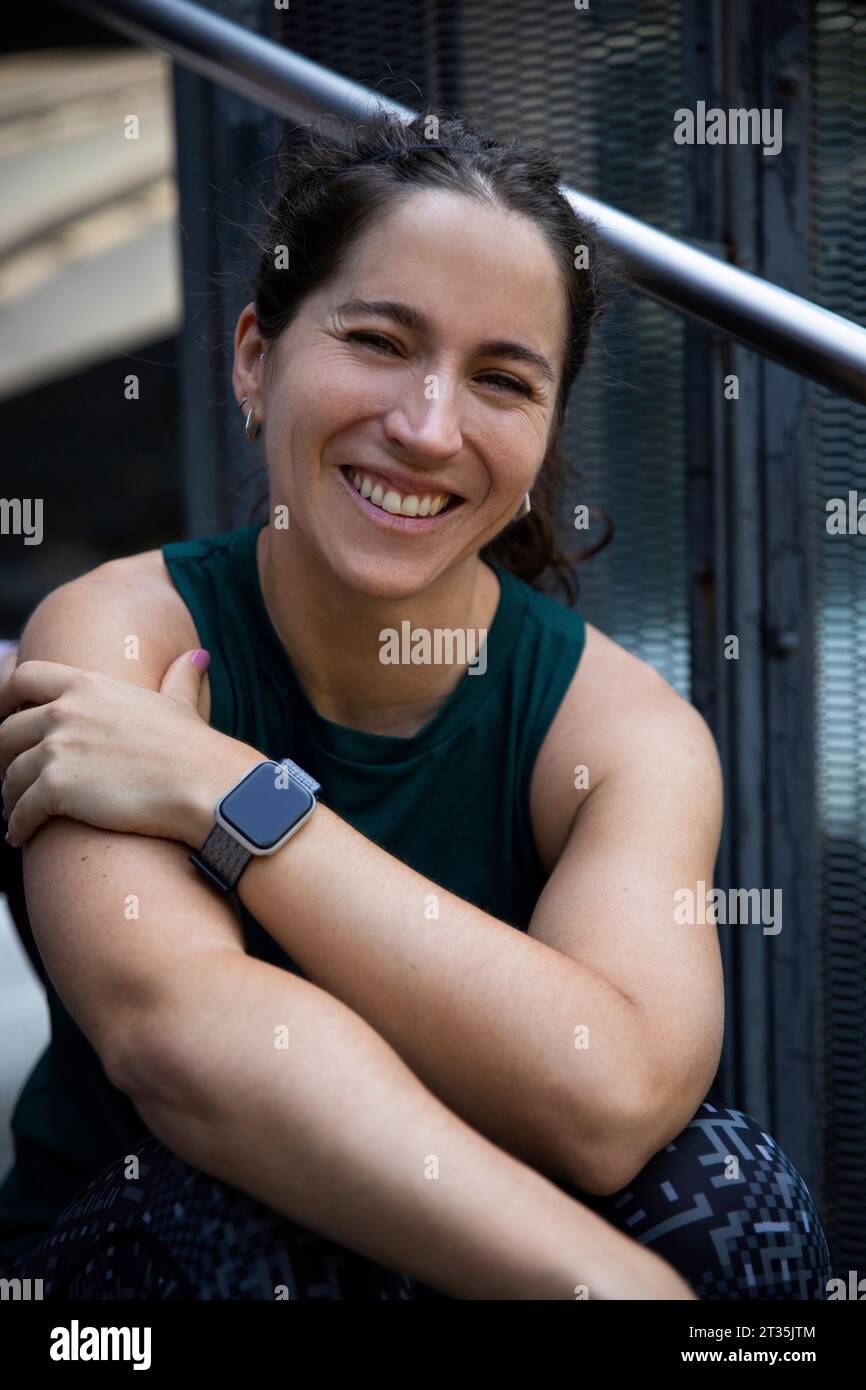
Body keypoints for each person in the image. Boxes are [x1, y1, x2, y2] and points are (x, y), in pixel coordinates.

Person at [0, 108, 831, 1300]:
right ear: (253, 356)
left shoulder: (620, 729)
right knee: (225, 1211)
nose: (427, 427)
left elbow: (608, 1100)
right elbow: (183, 1042)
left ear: (542, 439)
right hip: (149, 1272)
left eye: (500, 378)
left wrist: (224, 793)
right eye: (381, 341)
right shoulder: (124, 636)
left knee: (729, 1196)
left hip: (474, 1258)